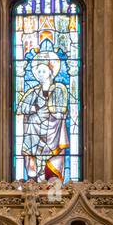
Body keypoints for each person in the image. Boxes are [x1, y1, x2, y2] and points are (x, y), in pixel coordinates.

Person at [16, 50, 71, 181]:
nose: (40, 74)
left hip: (53, 134)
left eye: (44, 71)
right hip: (33, 135)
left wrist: (56, 112)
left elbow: (61, 110)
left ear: (51, 73)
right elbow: (21, 108)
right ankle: (32, 180)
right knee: (31, 158)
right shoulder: (32, 92)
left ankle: (51, 184)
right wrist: (33, 108)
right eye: (38, 71)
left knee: (52, 167)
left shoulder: (59, 89)